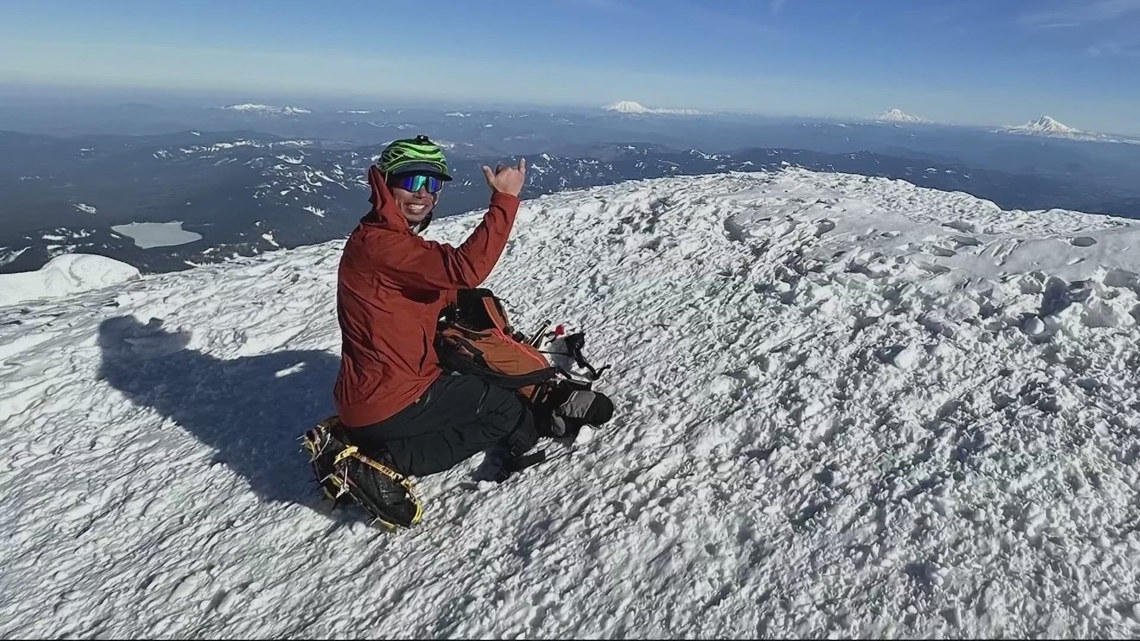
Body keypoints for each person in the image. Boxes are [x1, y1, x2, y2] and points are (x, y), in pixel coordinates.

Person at [311, 134, 545, 529]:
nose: (423, 193)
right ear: (385, 182)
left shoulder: (380, 240)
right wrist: (504, 200)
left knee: (474, 376)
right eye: (412, 180)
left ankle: (361, 440)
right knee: (504, 409)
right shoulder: (381, 245)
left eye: (433, 183)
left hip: (366, 398)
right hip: (394, 399)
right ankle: (378, 462)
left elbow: (442, 287)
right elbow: (462, 270)